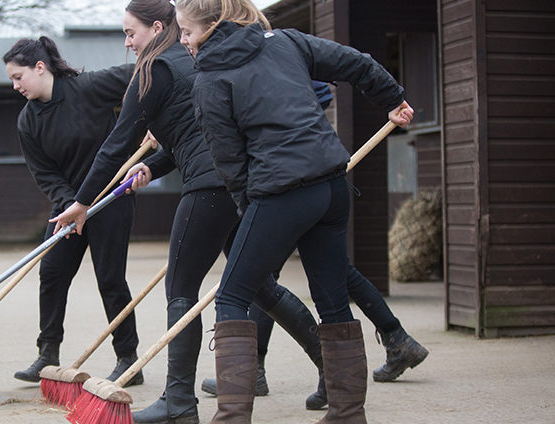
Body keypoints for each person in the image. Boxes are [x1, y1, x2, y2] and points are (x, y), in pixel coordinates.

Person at [49, 1, 329, 422]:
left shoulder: (155, 70)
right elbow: (194, 133)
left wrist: (82, 202)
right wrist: (156, 162)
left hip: (209, 187)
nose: (127, 43)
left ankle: (178, 402)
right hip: (240, 184)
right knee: (257, 286)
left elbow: (117, 142)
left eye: (130, 32)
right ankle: (332, 367)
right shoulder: (193, 58)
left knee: (181, 288)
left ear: (156, 27)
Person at [174, 0, 414, 422]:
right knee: (333, 300)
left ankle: (231, 418)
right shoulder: (284, 41)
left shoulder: (210, 80)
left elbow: (229, 161)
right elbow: (356, 62)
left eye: (187, 33)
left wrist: (252, 214)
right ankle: (347, 414)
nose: (183, 41)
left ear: (212, 26)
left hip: (280, 193)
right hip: (332, 185)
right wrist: (393, 99)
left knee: (231, 297)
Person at [199, 86, 429, 398]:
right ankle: (396, 338)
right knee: (331, 270)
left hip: (298, 178)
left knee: (264, 276)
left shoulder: (276, 56)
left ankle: (256, 370)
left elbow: (320, 90)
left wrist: (298, 123)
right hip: (293, 176)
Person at [2, 37, 144, 387]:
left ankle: (129, 359)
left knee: (110, 279)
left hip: (111, 198)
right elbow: (44, 173)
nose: (15, 86)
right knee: (51, 272)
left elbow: (143, 74)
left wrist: (153, 117)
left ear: (40, 67)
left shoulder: (89, 87)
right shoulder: (28, 121)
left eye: (19, 77)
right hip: (69, 206)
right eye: (12, 80)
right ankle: (47, 354)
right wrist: (70, 205)